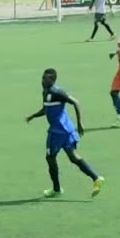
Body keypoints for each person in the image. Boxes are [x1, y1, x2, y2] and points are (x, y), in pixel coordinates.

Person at [25, 68, 104, 198]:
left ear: (52, 80)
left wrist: (80, 123)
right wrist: (33, 116)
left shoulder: (57, 92)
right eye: (42, 78)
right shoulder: (45, 92)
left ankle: (56, 189)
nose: (42, 81)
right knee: (73, 157)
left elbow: (75, 102)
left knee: (50, 158)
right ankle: (96, 178)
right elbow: (46, 109)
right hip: (66, 130)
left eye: (46, 79)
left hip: (58, 131)